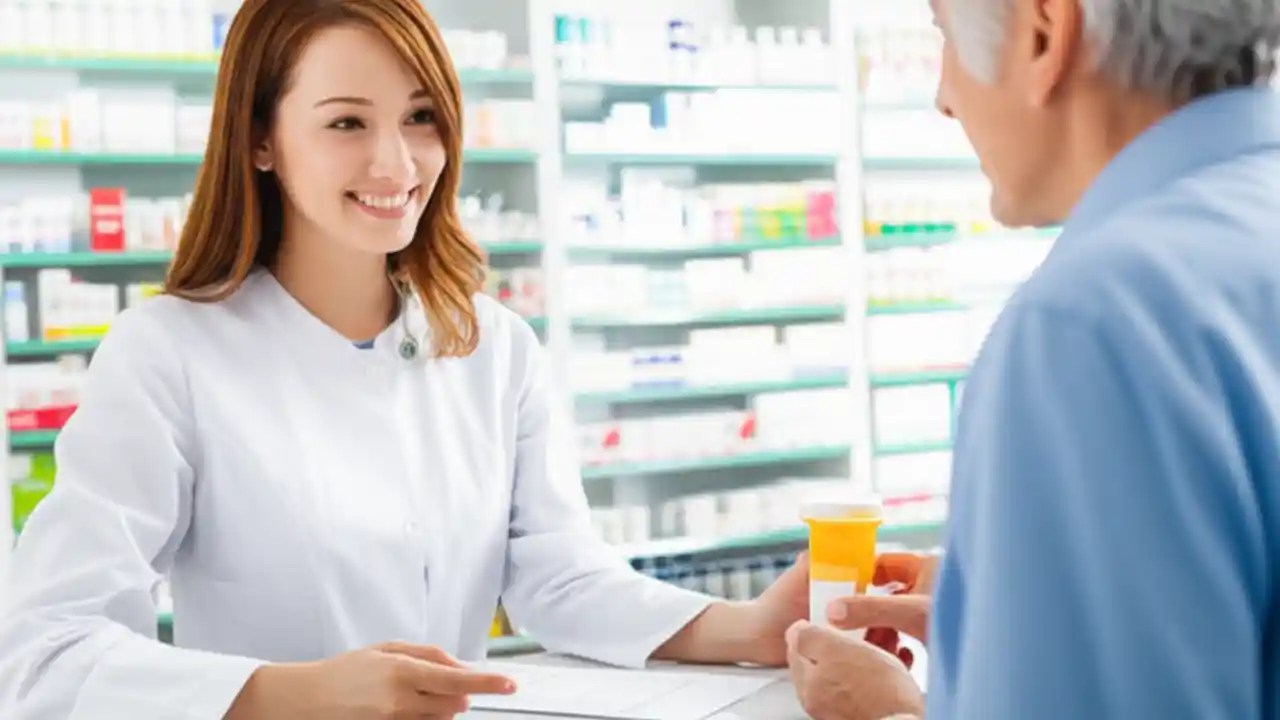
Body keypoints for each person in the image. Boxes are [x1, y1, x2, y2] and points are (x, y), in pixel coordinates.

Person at [0, 1, 812, 717]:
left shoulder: (494, 347)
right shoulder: (170, 353)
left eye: (421, 116)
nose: (397, 164)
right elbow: (47, 653)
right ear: (260, 140)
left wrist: (750, 628)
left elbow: (558, 578)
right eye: (347, 122)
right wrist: (303, 695)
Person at [786, 0, 1280, 717]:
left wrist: (896, 714)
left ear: (1045, 32)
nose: (944, 98)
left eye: (945, 37)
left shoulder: (1096, 324)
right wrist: (1010, 611)